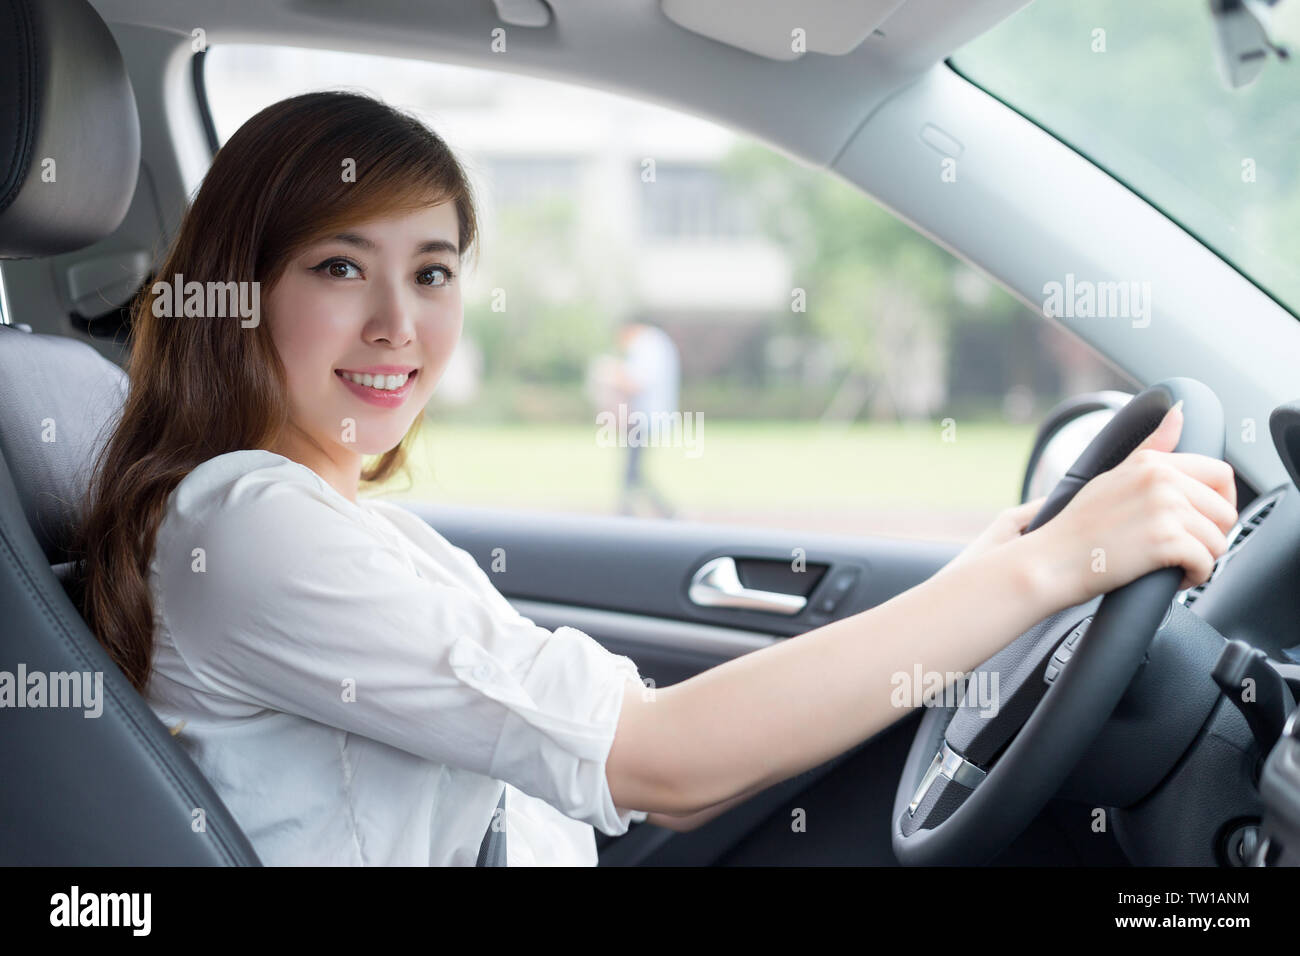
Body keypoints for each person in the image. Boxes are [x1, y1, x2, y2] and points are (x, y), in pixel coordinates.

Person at [71, 91, 1239, 866]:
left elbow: (598, 743)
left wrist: (1007, 557)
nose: (398, 322)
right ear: (245, 289)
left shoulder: (332, 517)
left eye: (432, 272)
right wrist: (1051, 566)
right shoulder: (251, 520)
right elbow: (661, 757)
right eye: (340, 265)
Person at [613, 320, 680, 518]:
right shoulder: (656, 342)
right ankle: (631, 510)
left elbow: (637, 383)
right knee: (634, 469)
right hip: (649, 416)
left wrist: (612, 375)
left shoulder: (646, 346)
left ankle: (661, 511)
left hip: (645, 417)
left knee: (633, 470)